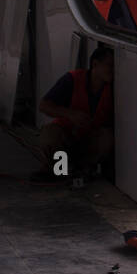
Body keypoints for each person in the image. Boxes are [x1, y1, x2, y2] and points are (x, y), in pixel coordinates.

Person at [34, 45, 115, 181]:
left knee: (107, 138)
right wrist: (70, 114)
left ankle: (81, 169)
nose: (113, 70)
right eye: (109, 65)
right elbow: (44, 106)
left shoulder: (113, 88)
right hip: (67, 134)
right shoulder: (72, 79)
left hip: (89, 139)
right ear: (95, 64)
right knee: (50, 135)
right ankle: (59, 170)